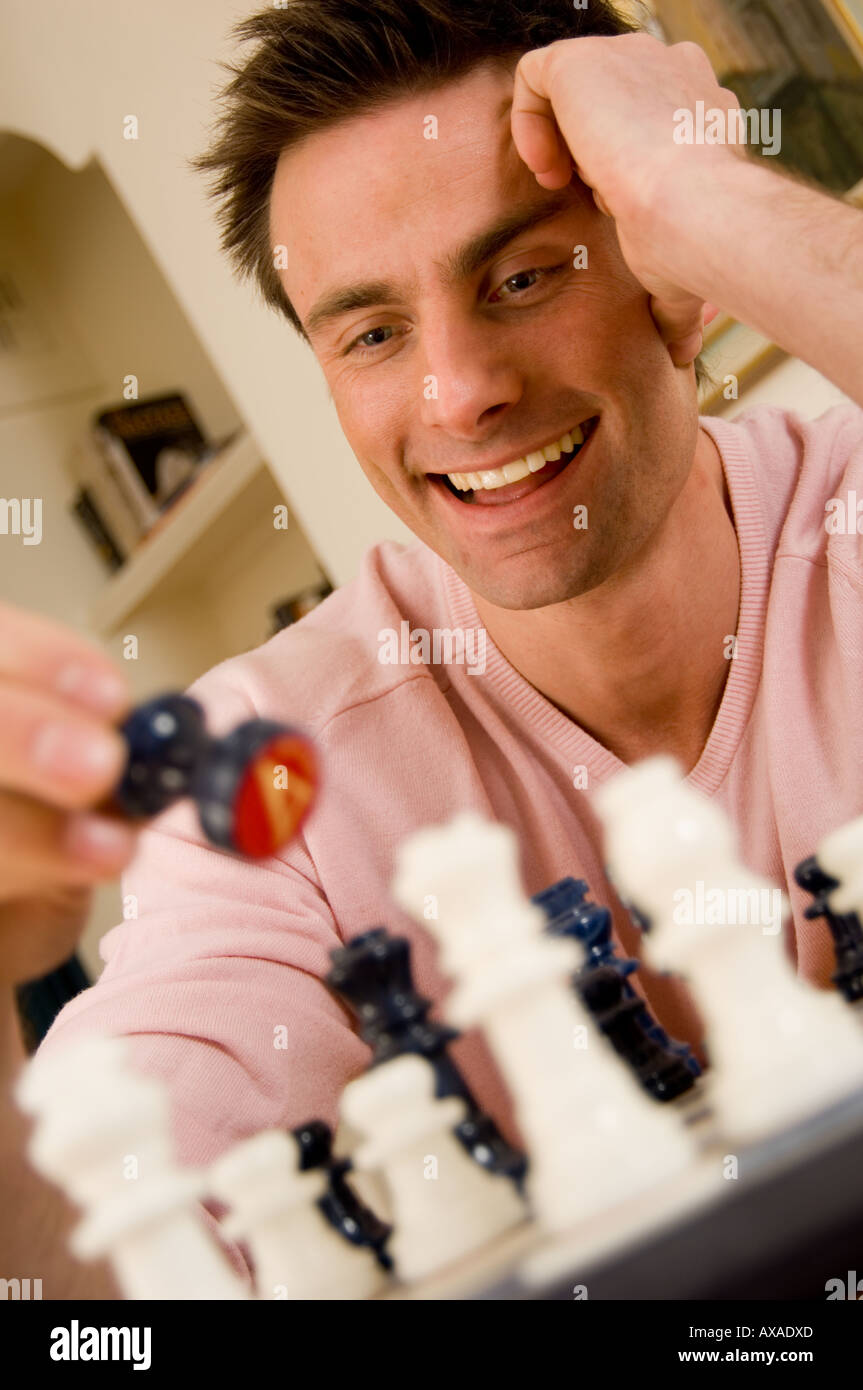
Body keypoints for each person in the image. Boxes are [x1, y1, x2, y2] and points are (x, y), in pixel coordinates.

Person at [2, 0, 863, 1297]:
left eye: (521, 277)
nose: (459, 390)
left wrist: (704, 189)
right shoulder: (270, 775)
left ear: (671, 284)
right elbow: (91, 1301)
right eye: (372, 333)